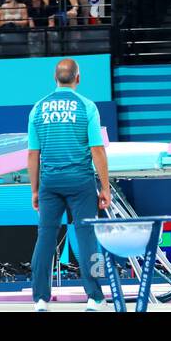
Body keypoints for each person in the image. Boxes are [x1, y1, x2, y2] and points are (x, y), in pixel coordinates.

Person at [27, 57, 110, 311]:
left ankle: (40, 299)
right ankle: (95, 297)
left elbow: (33, 154)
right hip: (80, 181)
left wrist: (34, 189)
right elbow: (97, 149)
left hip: (50, 182)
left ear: (54, 78)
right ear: (78, 78)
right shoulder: (87, 106)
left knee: (45, 237)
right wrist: (105, 186)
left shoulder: (38, 108)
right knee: (87, 238)